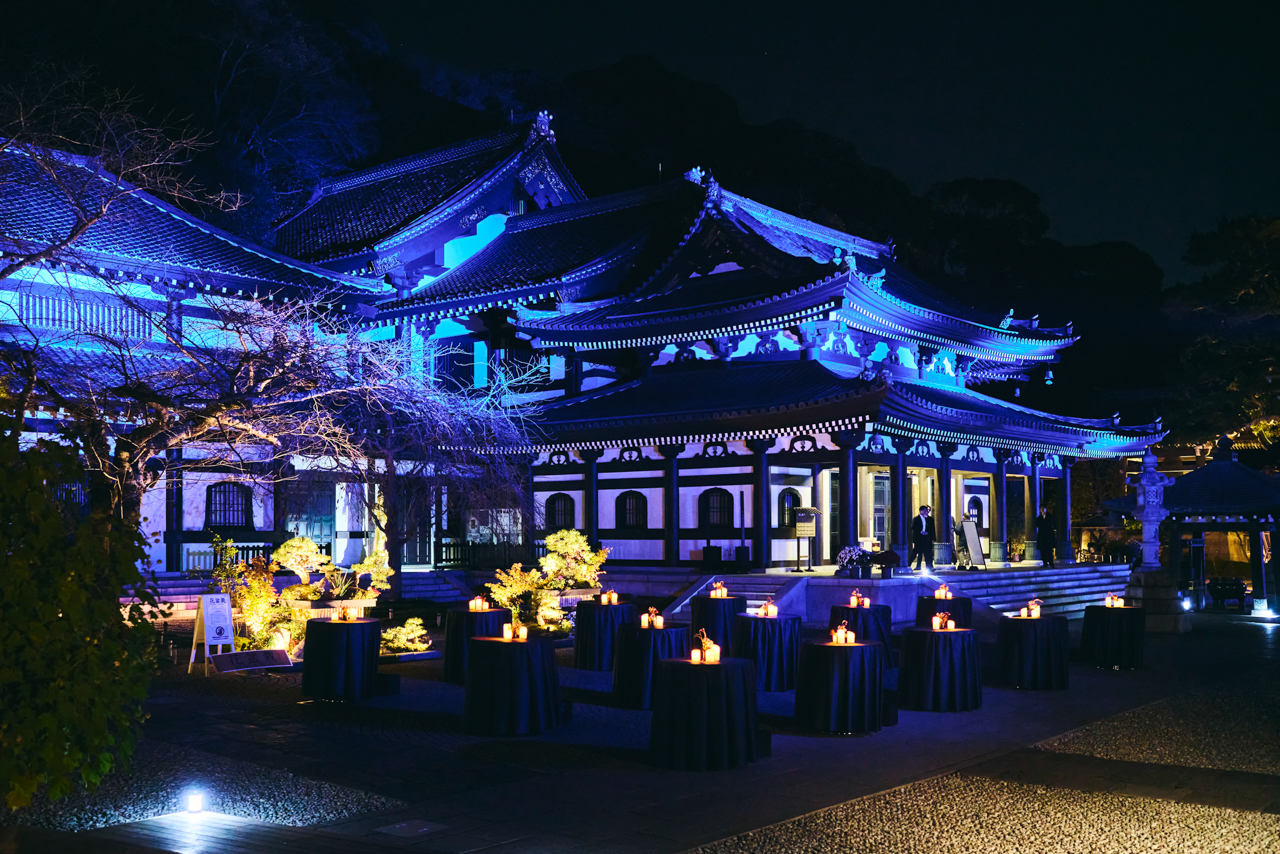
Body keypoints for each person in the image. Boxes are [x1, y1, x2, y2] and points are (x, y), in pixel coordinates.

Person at [909, 505, 935, 572]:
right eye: (924, 510)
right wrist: (920, 531)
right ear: (921, 511)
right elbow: (913, 527)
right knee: (915, 552)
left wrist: (929, 535)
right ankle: (908, 565)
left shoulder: (927, 519)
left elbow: (931, 529)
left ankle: (929, 566)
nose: (925, 512)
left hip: (926, 538)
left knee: (927, 553)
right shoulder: (916, 519)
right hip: (919, 538)